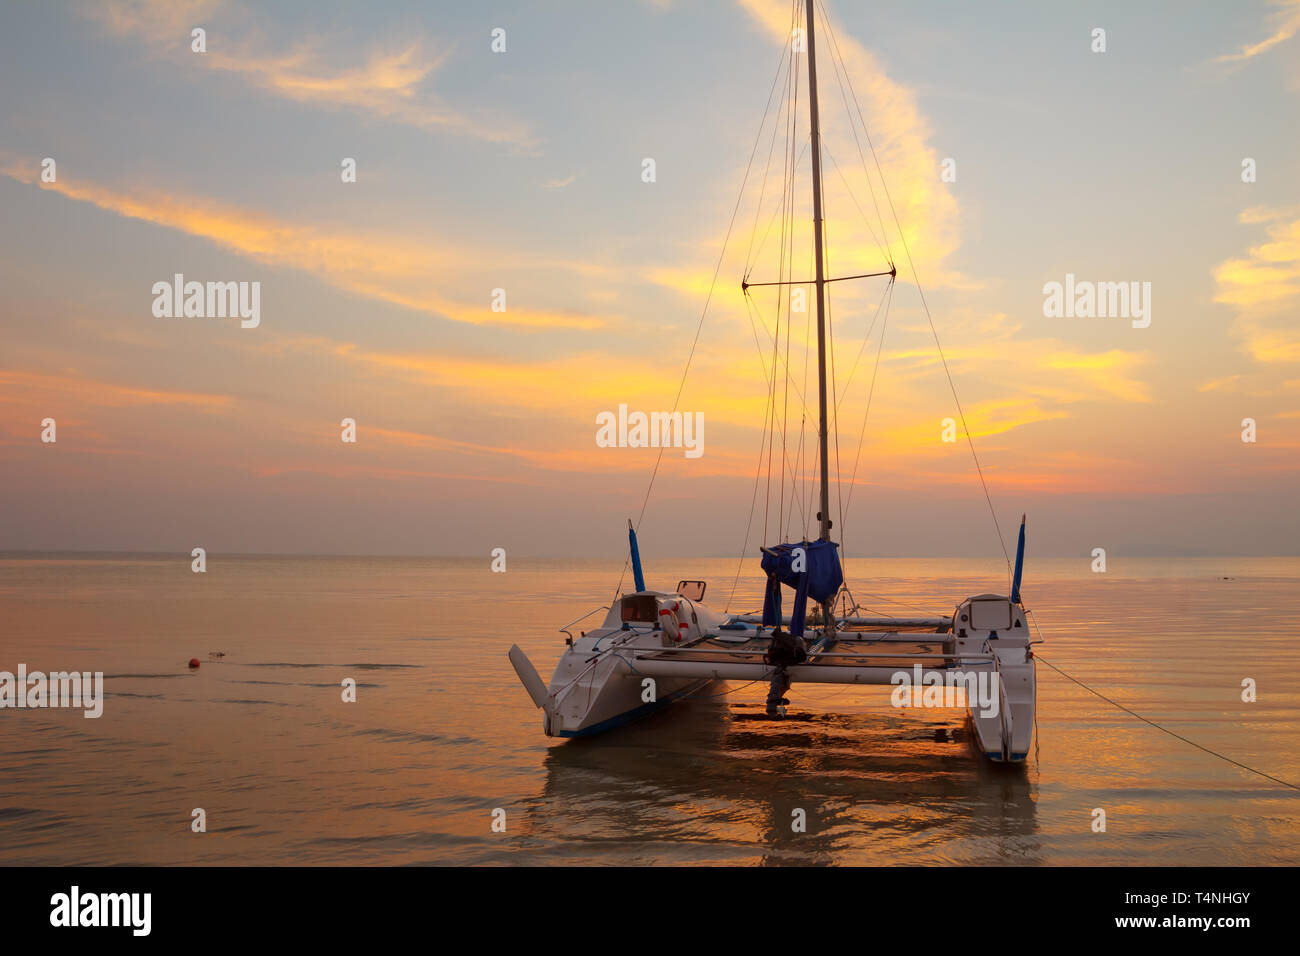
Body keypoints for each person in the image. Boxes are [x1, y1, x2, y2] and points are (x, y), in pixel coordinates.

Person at [763, 628, 806, 716]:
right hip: (783, 659)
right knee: (779, 671)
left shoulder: (793, 654)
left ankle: (773, 700)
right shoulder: (796, 654)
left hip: (780, 659)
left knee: (779, 671)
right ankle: (773, 700)